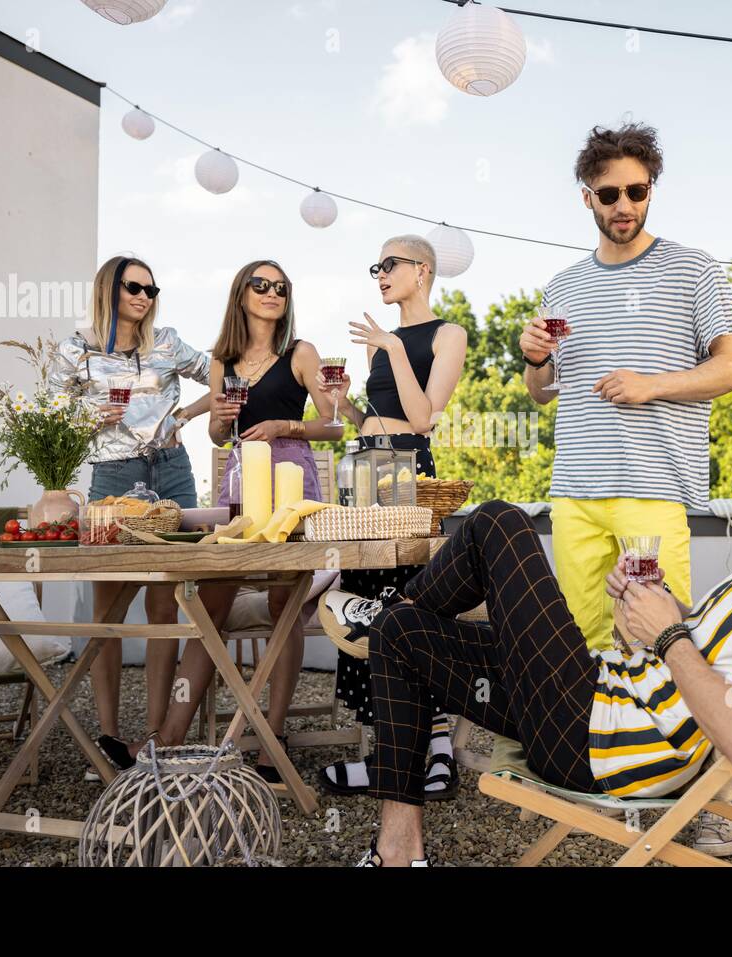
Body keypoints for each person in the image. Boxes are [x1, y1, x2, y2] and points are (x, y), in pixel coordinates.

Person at [336, 376, 732, 865]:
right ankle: (397, 852)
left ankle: (386, 607)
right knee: (402, 636)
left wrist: (667, 636)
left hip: (595, 738)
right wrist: (664, 610)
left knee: (497, 523)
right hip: (598, 697)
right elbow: (720, 657)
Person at [105, 259, 342, 782]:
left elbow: (334, 425)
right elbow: (218, 437)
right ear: (241, 295)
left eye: (281, 286)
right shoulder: (223, 360)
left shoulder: (300, 353)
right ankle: (168, 738)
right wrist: (217, 420)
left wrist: (283, 424)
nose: (272, 293)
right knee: (211, 603)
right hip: (238, 490)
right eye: (261, 285)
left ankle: (271, 740)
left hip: (292, 489)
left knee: (284, 602)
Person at [519, 123, 732, 657]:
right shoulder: (563, 285)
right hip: (575, 491)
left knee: (657, 634)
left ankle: (664, 740)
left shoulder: (695, 269)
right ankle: (594, 739)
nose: (624, 204)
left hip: (653, 490)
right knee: (580, 641)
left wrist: (653, 386)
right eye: (609, 194)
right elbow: (542, 391)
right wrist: (533, 358)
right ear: (587, 199)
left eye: (637, 191)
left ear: (650, 191)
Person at [315, 234, 468, 800]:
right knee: (365, 597)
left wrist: (396, 350)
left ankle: (440, 747)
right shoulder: (381, 344)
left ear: (421, 271)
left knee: (407, 598)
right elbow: (370, 420)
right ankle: (390, 754)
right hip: (364, 465)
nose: (379, 275)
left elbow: (424, 416)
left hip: (408, 468)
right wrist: (345, 402)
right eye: (374, 267)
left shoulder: (447, 334)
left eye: (389, 265)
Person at [49, 255, 211, 770]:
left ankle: (154, 736)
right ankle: (110, 735)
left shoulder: (166, 342)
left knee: (165, 605)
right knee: (109, 609)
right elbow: (50, 413)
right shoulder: (77, 349)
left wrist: (185, 413)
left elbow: (222, 371)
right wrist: (87, 416)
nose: (143, 296)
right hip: (114, 476)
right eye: (133, 287)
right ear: (110, 289)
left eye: (150, 288)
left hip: (173, 471)